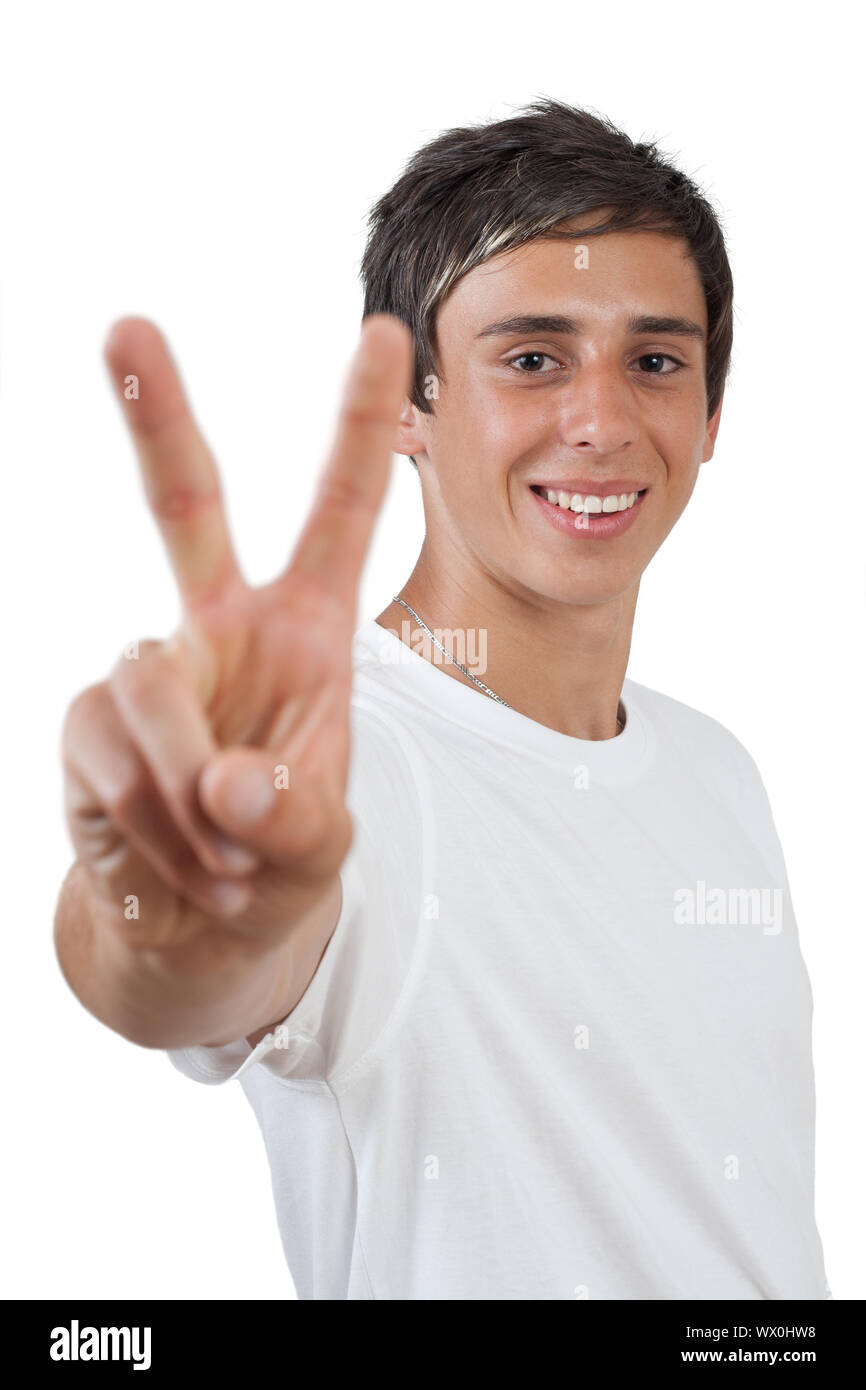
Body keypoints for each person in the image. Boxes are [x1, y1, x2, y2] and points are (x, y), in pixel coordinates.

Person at [55, 99, 831, 1300]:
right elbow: (178, 971)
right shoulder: (338, 765)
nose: (602, 422)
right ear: (408, 407)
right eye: (531, 358)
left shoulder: (718, 768)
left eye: (655, 361)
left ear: (711, 414)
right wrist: (173, 893)